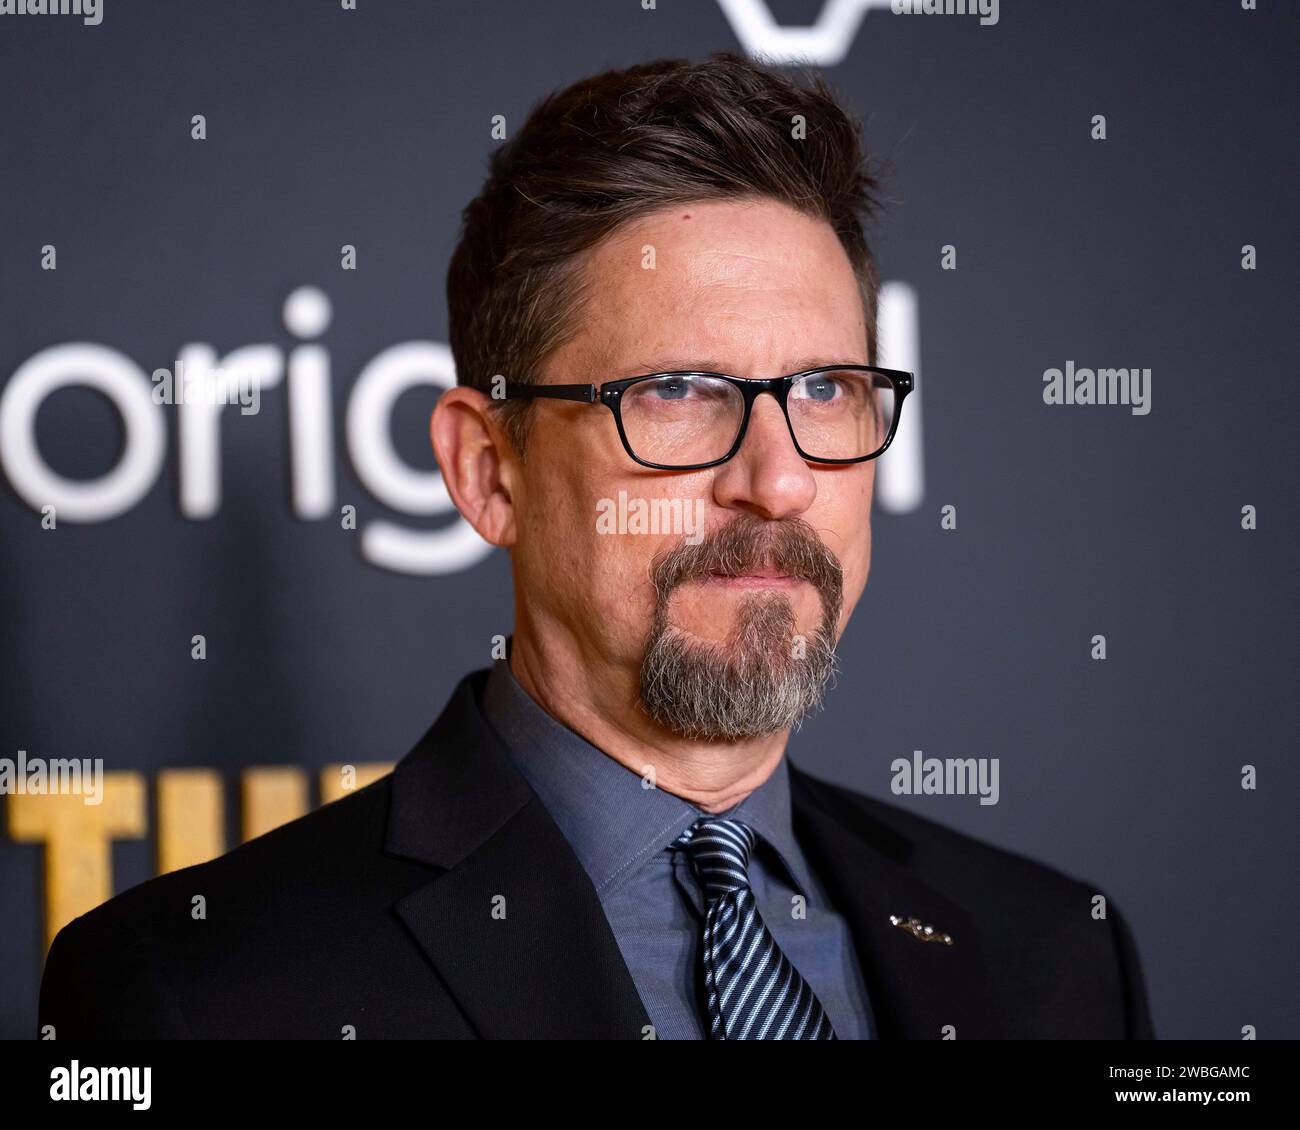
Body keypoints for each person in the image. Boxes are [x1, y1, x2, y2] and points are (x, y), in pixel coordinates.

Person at [39, 51, 1152, 1040]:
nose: (775, 481)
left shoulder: (1054, 955)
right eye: (675, 391)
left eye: (824, 388)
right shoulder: (195, 993)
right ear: (488, 470)